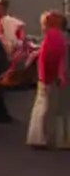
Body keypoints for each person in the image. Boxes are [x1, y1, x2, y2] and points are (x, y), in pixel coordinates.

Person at [27, 11, 69, 149]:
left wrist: (47, 76)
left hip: (51, 78)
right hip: (59, 77)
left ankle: (41, 138)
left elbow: (50, 58)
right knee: (60, 109)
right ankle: (62, 139)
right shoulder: (61, 36)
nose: (42, 26)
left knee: (46, 108)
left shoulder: (52, 36)